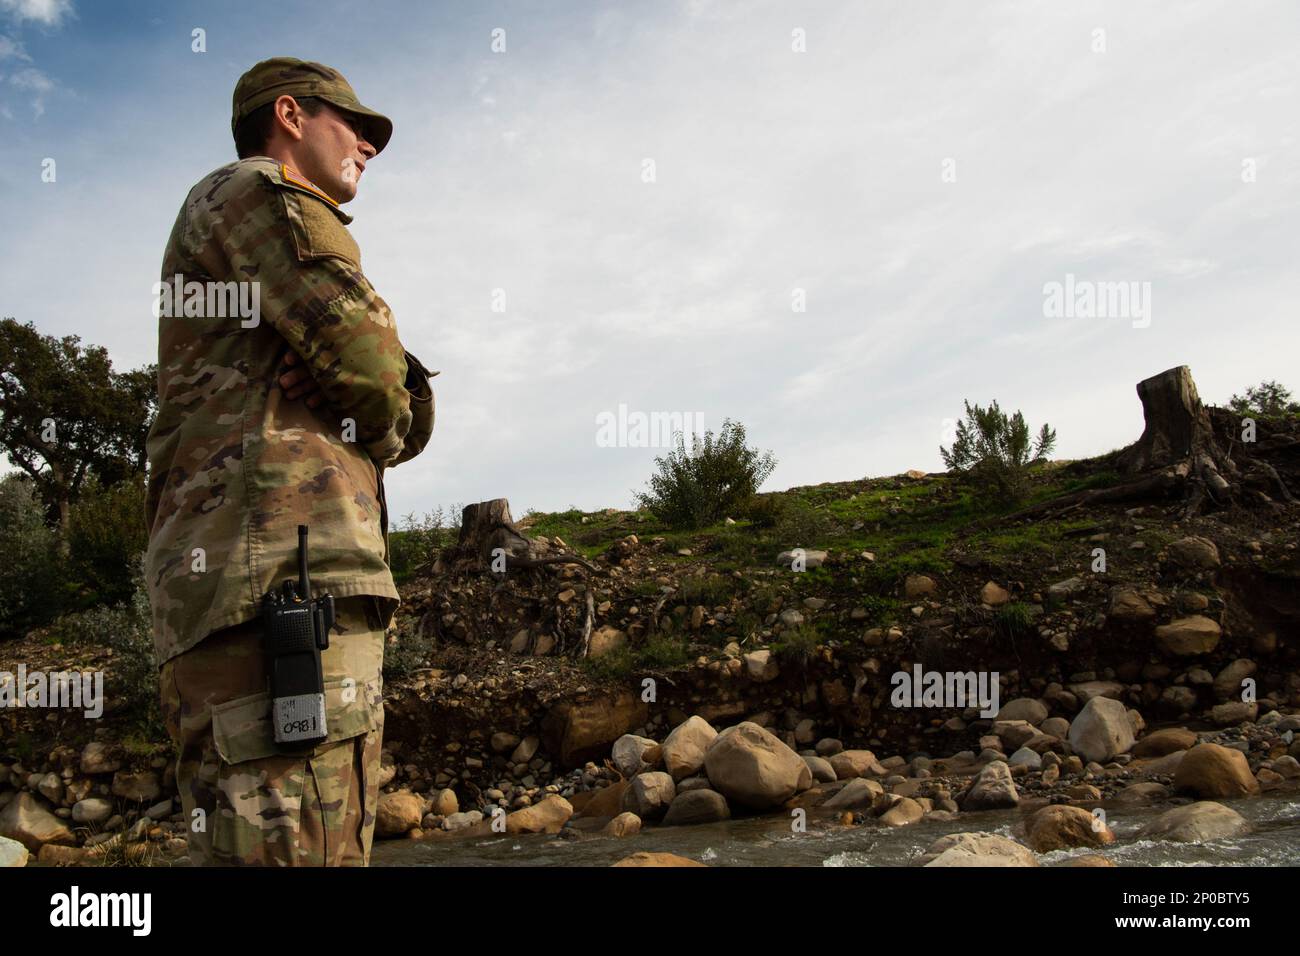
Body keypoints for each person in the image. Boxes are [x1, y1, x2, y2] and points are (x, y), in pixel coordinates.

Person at [144, 57, 434, 866]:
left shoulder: (234, 215)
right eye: (355, 125)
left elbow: (382, 396)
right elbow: (375, 381)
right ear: (291, 116)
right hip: (278, 585)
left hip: (269, 585)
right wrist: (380, 389)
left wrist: (379, 391)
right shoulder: (255, 193)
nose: (370, 146)